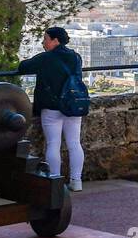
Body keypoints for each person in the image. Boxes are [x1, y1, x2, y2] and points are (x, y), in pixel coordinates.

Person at [17, 26, 86, 192]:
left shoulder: (46, 58)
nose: (43, 42)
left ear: (55, 40)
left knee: (53, 144)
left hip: (52, 106)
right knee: (74, 143)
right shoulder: (76, 57)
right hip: (73, 104)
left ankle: (56, 182)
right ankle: (76, 181)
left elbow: (23, 67)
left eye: (46, 39)